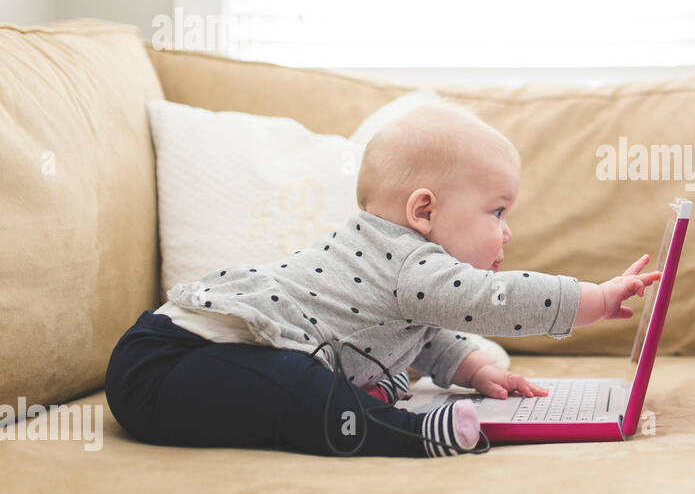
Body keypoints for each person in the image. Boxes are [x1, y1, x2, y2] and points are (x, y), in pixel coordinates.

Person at [105, 100, 659, 458]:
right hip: (170, 362)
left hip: (177, 369)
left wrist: (477, 370)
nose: (507, 234)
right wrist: (590, 299)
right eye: (497, 213)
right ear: (424, 211)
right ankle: (407, 435)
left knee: (303, 385)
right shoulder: (405, 262)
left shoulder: (402, 274)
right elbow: (492, 300)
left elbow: (426, 330)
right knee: (306, 388)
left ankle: (371, 411)